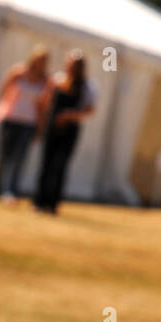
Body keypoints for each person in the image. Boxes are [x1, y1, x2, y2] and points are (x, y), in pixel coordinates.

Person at [33, 51, 96, 214]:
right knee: (46, 164)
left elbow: (90, 109)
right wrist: (43, 121)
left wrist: (69, 116)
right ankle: (39, 202)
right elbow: (45, 100)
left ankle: (53, 204)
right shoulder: (57, 80)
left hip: (69, 130)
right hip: (52, 126)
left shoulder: (86, 86)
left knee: (60, 166)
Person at [0, 45, 50, 202]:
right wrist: (3, 110)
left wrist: (40, 127)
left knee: (20, 158)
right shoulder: (18, 72)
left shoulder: (45, 80)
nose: (41, 62)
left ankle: (11, 191)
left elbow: (42, 106)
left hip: (29, 122)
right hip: (10, 118)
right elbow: (3, 91)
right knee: (4, 156)